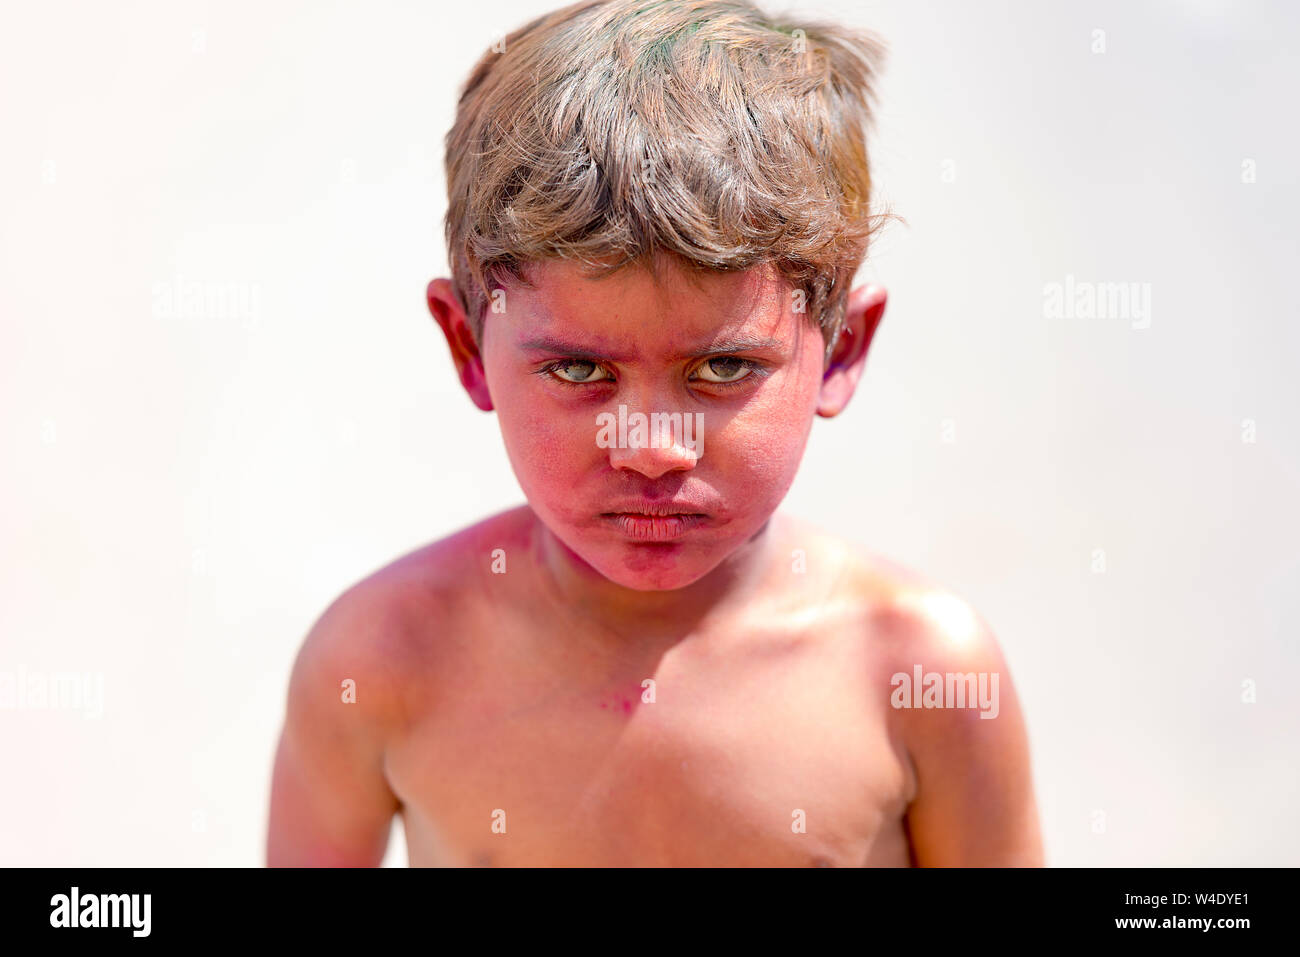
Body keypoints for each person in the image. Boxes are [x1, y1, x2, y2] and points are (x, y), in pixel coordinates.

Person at [266, 0, 1043, 867]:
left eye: (721, 369)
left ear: (840, 351)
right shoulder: (383, 661)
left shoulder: (919, 674)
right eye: (577, 371)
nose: (650, 443)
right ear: (467, 346)